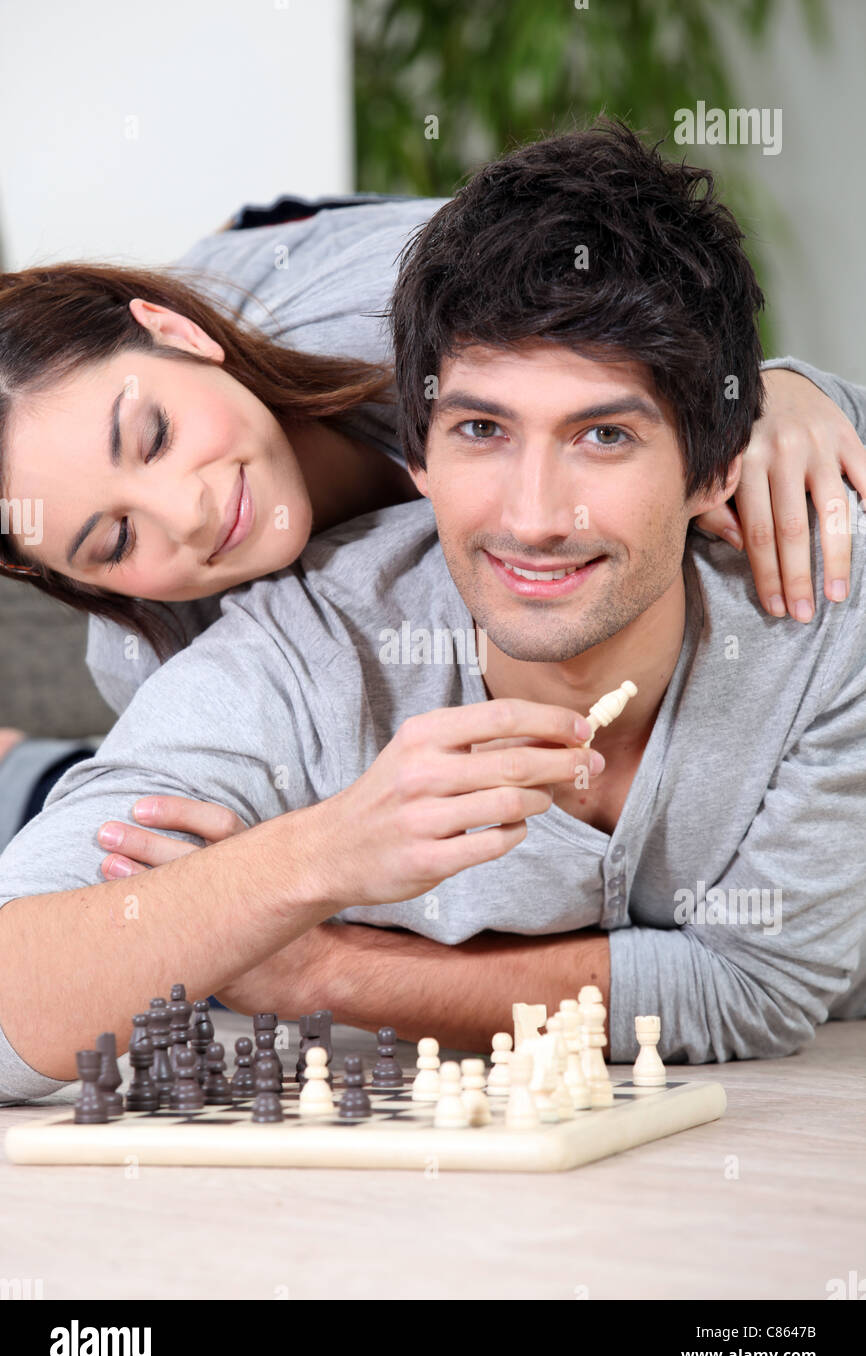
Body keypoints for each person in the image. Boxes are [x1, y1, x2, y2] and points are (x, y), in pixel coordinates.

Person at [1, 120, 865, 1102]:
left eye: (604, 435)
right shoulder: (260, 654)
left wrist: (787, 393)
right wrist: (314, 857)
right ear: (417, 450)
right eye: (480, 429)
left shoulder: (379, 300)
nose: (537, 519)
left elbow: (760, 986)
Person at [0, 182, 864, 852]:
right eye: (114, 540)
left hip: (285, 250)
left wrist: (780, 391)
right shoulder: (147, 654)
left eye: (153, 437)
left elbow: (655, 310)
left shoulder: (390, 305)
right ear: (68, 578)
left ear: (177, 335)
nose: (184, 514)